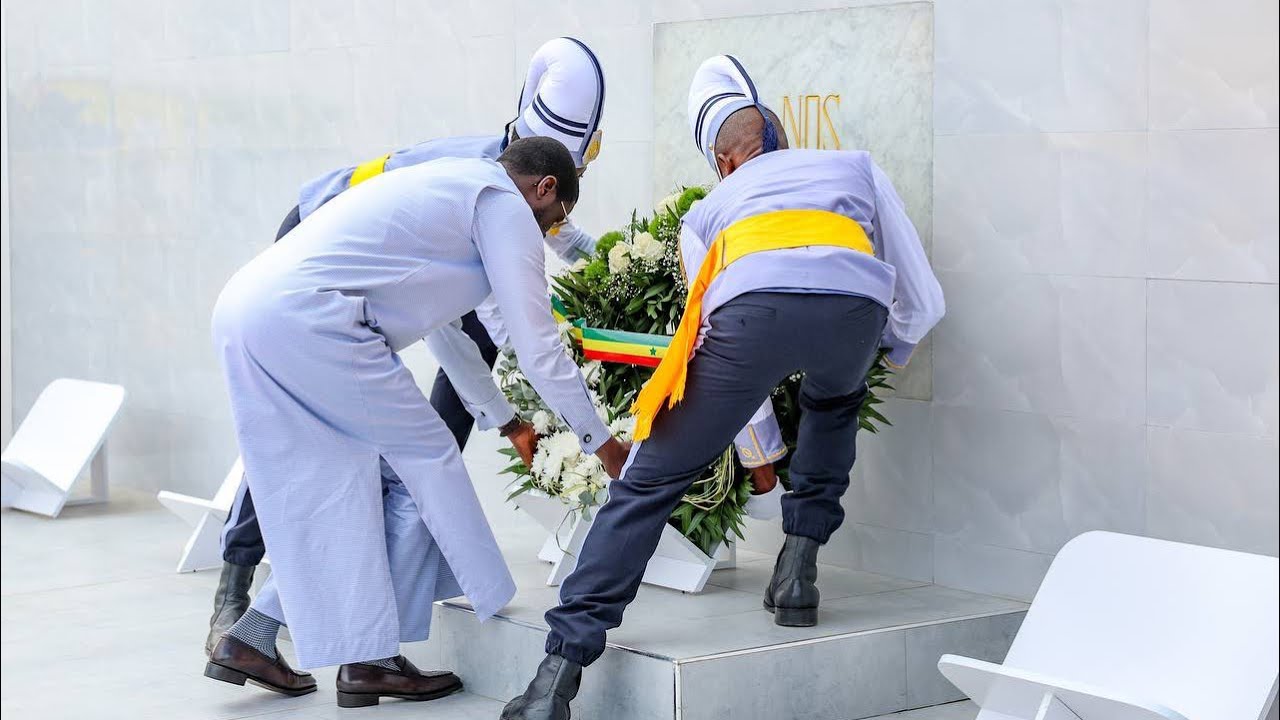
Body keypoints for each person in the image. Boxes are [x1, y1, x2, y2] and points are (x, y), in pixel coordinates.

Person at [502, 55, 945, 720]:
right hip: (855, 310)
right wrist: (891, 343)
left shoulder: (708, 211)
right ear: (778, 142)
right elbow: (922, 294)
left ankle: (556, 676)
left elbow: (709, 342)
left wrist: (760, 456)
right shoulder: (855, 167)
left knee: (648, 483)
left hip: (749, 318)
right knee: (835, 401)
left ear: (728, 161)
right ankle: (798, 573)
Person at [205, 36, 607, 657]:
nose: (546, 236)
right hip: (311, 315)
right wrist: (599, 441)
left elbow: (444, 334)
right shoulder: (501, 205)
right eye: (552, 220)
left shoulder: (463, 181)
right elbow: (534, 347)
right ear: (546, 186)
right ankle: (353, 648)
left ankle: (272, 640)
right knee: (424, 465)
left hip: (251, 304)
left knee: (348, 474)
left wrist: (505, 420)